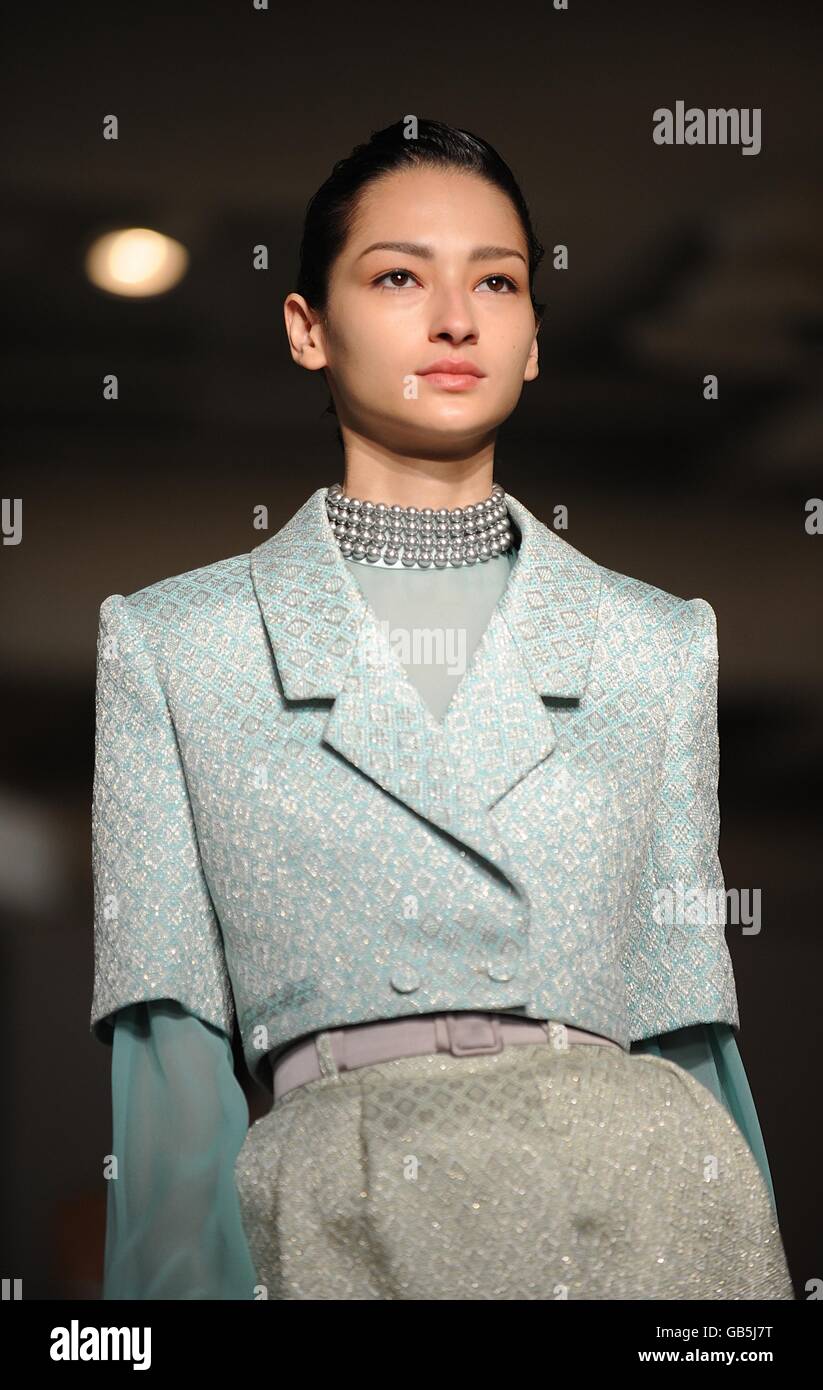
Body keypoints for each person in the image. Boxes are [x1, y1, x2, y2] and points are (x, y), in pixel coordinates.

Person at [91, 117, 793, 1300]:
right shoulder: (178, 645)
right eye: (399, 275)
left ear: (531, 341)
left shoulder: (656, 644)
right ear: (308, 328)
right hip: (339, 1216)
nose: (455, 317)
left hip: (645, 1216)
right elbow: (167, 1074)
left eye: (498, 281)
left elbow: (689, 1029)